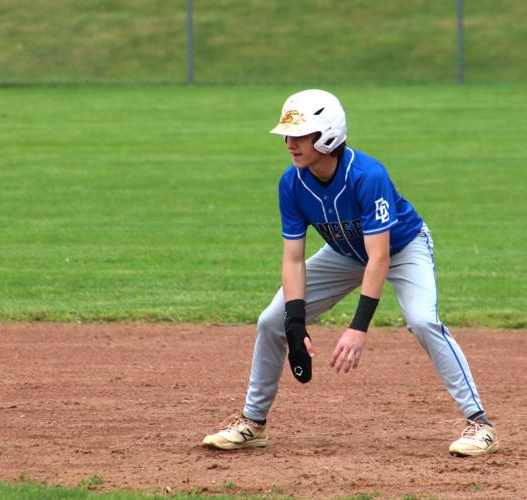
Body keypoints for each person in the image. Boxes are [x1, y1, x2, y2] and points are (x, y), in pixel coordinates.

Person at [202, 89, 499, 457]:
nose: (290, 144)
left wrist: (358, 327)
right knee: (271, 321)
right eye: (288, 135)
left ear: (326, 135)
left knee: (423, 320)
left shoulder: (367, 175)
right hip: (344, 252)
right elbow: (293, 259)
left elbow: (379, 258)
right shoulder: (291, 183)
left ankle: (480, 424)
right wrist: (295, 324)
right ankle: (253, 422)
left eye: (300, 135)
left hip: (402, 248)